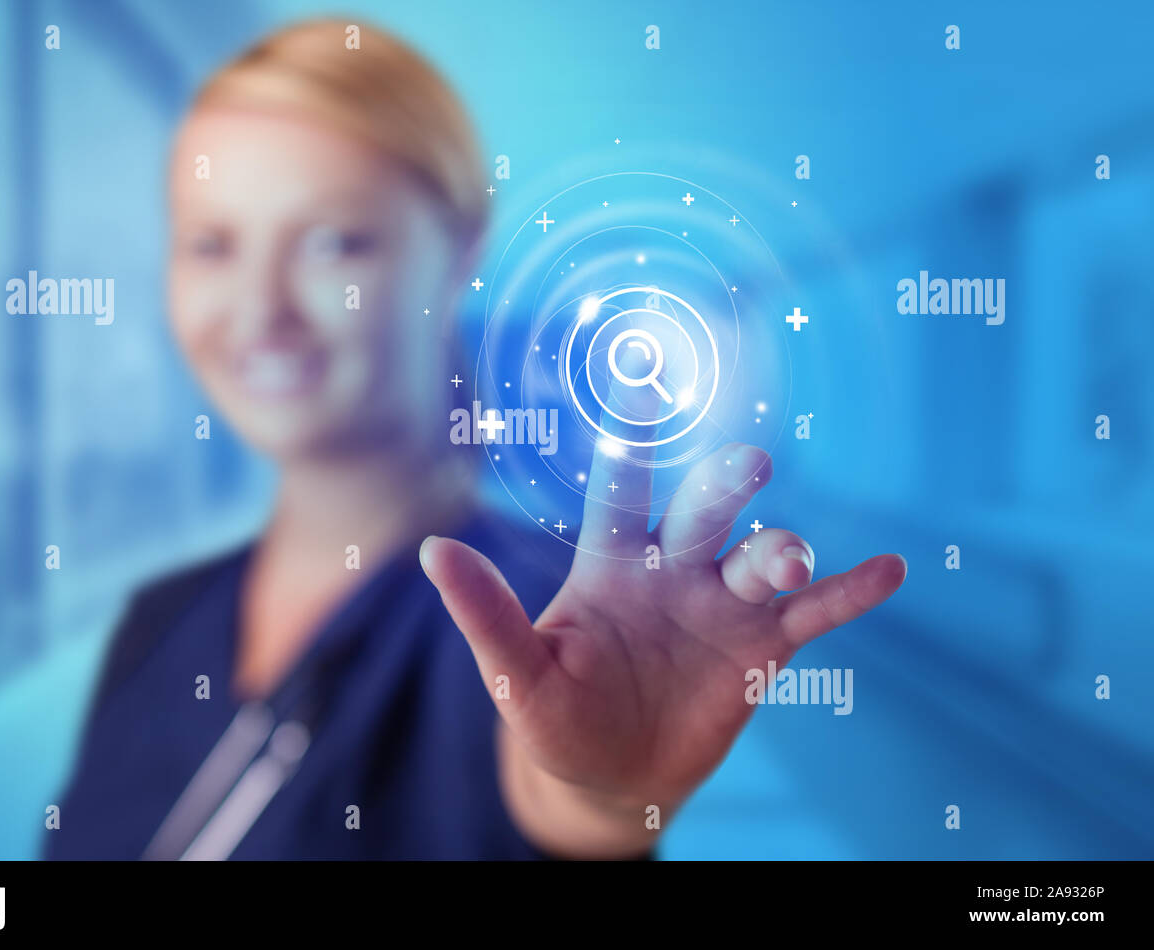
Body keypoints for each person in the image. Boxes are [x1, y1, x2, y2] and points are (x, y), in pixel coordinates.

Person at [46, 18, 906, 861]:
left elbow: (553, 785)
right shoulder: (158, 623)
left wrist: (604, 796)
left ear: (460, 245)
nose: (259, 311)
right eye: (211, 244)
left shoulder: (534, 615)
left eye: (332, 243)